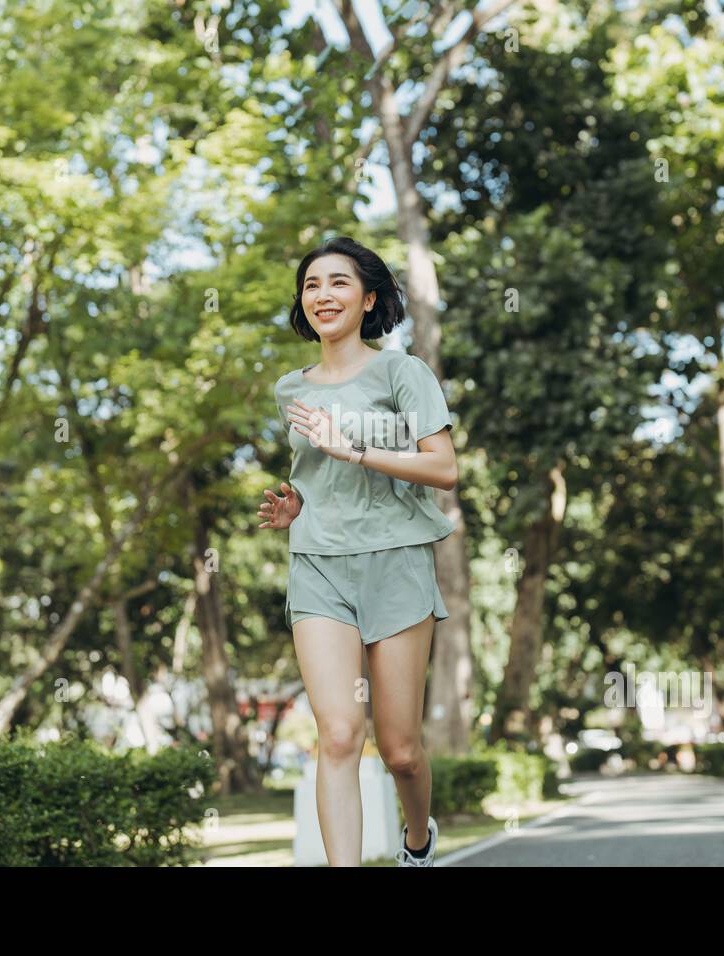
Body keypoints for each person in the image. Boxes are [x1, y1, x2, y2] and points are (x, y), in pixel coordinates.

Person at [258, 236, 458, 867]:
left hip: (397, 564)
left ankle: (417, 843)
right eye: (311, 285)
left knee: (400, 751)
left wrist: (355, 450)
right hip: (318, 567)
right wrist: (297, 509)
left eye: (338, 282)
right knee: (340, 734)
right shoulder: (291, 389)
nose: (323, 294)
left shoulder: (402, 373)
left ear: (369, 299)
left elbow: (444, 469)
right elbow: (317, 479)